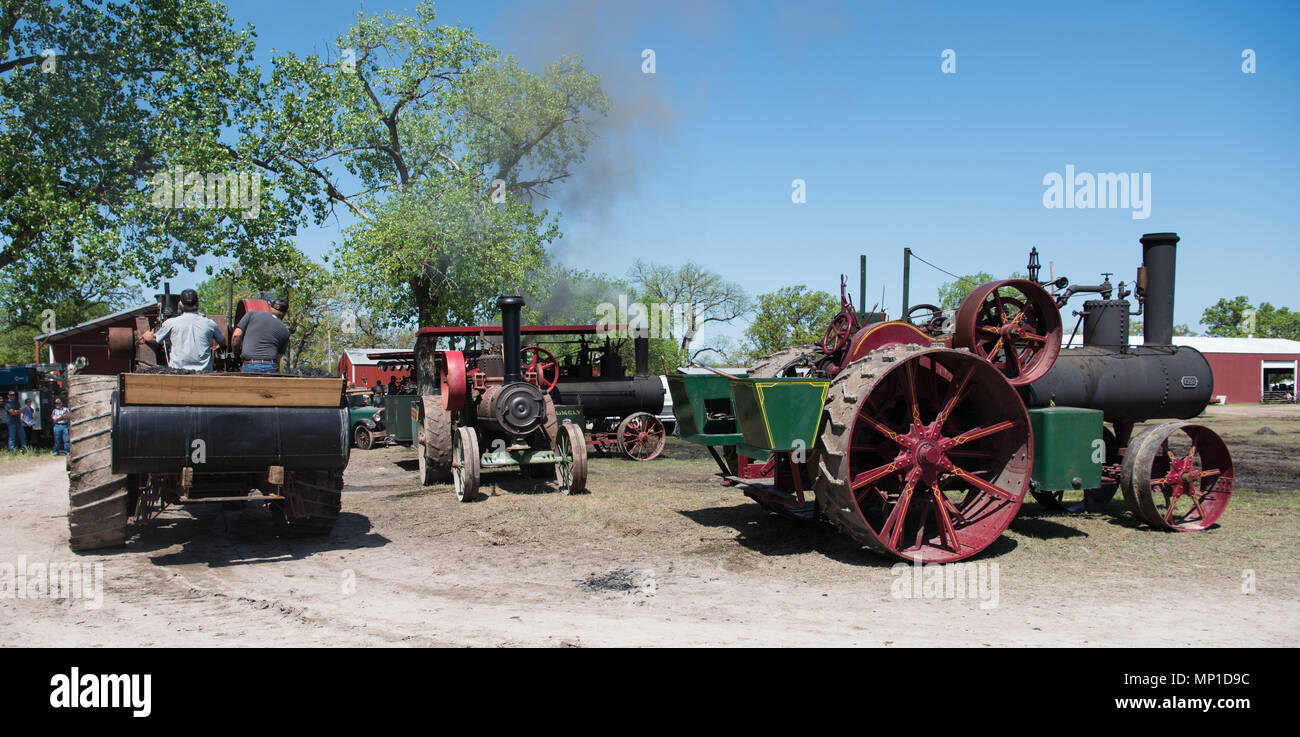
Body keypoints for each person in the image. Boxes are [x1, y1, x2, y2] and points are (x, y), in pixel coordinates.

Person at [141, 288, 227, 372]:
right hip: (204, 372)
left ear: (180, 304)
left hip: (178, 372)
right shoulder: (209, 323)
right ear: (197, 303)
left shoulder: (171, 323)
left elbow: (154, 339)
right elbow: (223, 342)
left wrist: (145, 335)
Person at [232, 298, 291, 373]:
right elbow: (278, 359)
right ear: (284, 314)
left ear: (270, 307)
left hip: (249, 364)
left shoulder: (251, 314)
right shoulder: (285, 331)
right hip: (270, 367)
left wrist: (236, 355)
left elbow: (236, 336)